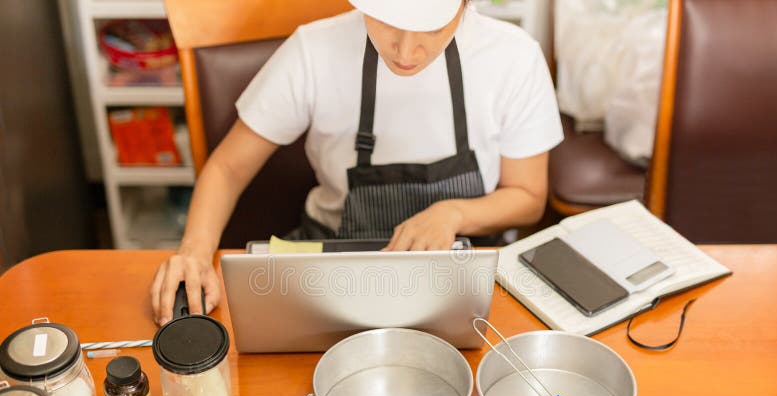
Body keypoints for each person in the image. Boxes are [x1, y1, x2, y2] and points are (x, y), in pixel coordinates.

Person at [150, 0, 563, 324]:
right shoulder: (313, 50)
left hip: (462, 268)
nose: (406, 50)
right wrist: (194, 252)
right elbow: (228, 168)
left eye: (431, 28)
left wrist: (452, 214)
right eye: (386, 20)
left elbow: (528, 197)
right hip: (327, 259)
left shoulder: (514, 58)